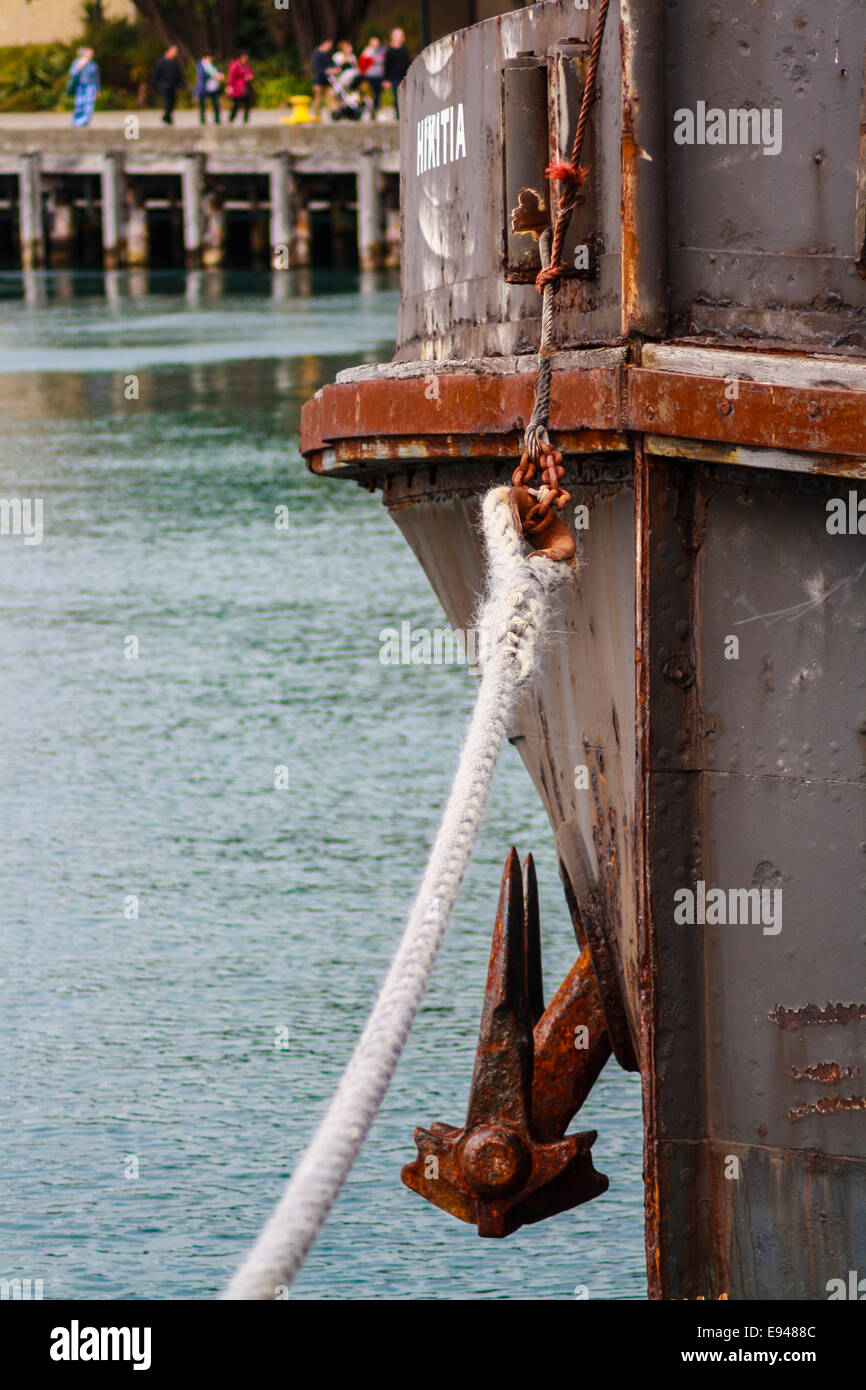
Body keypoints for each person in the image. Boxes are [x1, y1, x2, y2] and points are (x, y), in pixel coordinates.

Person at [151, 44, 185, 126]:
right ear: (168, 51)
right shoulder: (161, 62)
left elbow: (178, 75)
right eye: (174, 51)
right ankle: (167, 117)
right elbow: (156, 74)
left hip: (172, 85)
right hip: (164, 85)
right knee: (167, 102)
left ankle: (167, 117)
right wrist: (154, 85)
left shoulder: (174, 62)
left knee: (172, 102)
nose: (175, 53)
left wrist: (182, 84)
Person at [67, 46, 100, 128]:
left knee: (88, 105)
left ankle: (85, 121)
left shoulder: (93, 65)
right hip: (80, 86)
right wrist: (79, 66)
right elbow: (72, 74)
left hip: (90, 87)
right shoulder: (77, 62)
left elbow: (96, 78)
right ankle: (77, 122)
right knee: (79, 104)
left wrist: (97, 90)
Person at [383, 28, 411, 117]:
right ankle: (399, 116)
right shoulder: (390, 51)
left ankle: (406, 115)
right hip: (394, 79)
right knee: (397, 98)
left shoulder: (404, 50)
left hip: (404, 77)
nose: (403, 37)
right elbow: (387, 66)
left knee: (406, 97)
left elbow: (408, 64)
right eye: (400, 35)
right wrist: (386, 80)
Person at [194, 53, 224, 124]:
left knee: (215, 103)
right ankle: (203, 120)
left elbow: (218, 71)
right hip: (204, 88)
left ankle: (217, 119)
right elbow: (202, 75)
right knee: (203, 105)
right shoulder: (201, 65)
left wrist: (220, 75)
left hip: (213, 87)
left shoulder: (213, 65)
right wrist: (214, 76)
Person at [359, 36, 385, 112]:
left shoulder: (381, 51)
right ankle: (370, 109)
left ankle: (376, 109)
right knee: (370, 93)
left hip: (379, 75)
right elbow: (362, 65)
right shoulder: (367, 52)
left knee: (378, 93)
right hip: (370, 76)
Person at [226, 53, 254, 123]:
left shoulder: (247, 65)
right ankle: (231, 118)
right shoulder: (235, 65)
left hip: (246, 88)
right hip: (237, 88)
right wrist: (229, 85)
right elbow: (231, 76)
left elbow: (250, 72)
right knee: (236, 104)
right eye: (244, 58)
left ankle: (245, 120)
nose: (245, 59)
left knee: (247, 104)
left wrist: (250, 77)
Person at [310, 39, 334, 121]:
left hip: (328, 81)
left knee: (330, 97)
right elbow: (317, 68)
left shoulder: (328, 54)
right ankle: (316, 115)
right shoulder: (317, 54)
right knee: (318, 98)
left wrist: (333, 69)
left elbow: (332, 64)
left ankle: (334, 115)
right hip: (319, 80)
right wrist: (325, 71)